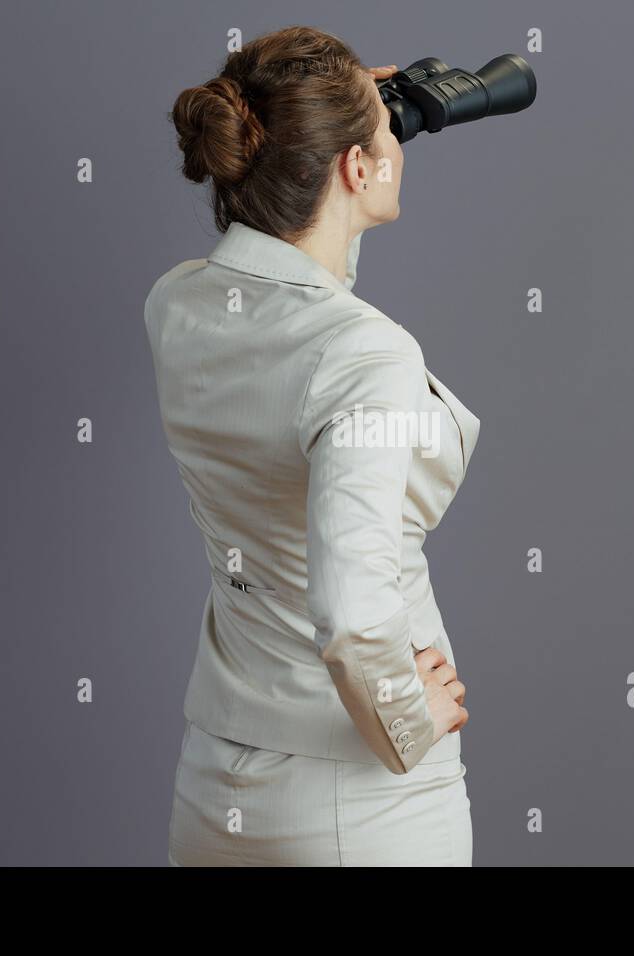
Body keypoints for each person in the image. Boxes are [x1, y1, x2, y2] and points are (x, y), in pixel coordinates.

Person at [143, 25, 481, 866]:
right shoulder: (367, 356)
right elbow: (354, 605)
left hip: (216, 782)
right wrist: (408, 720)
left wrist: (339, 135)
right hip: (360, 804)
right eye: (376, 142)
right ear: (357, 170)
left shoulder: (178, 306)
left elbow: (298, 289)